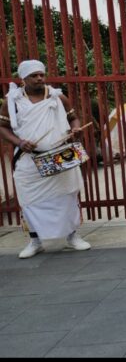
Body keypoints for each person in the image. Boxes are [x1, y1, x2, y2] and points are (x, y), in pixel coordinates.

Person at [0, 60, 91, 258]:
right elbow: (3, 127)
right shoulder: (12, 101)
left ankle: (72, 236)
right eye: (34, 76)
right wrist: (19, 142)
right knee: (29, 201)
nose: (39, 78)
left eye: (41, 74)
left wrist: (76, 129)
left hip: (59, 156)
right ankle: (35, 241)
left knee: (66, 197)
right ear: (23, 79)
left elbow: (73, 118)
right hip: (28, 159)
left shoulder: (58, 97)